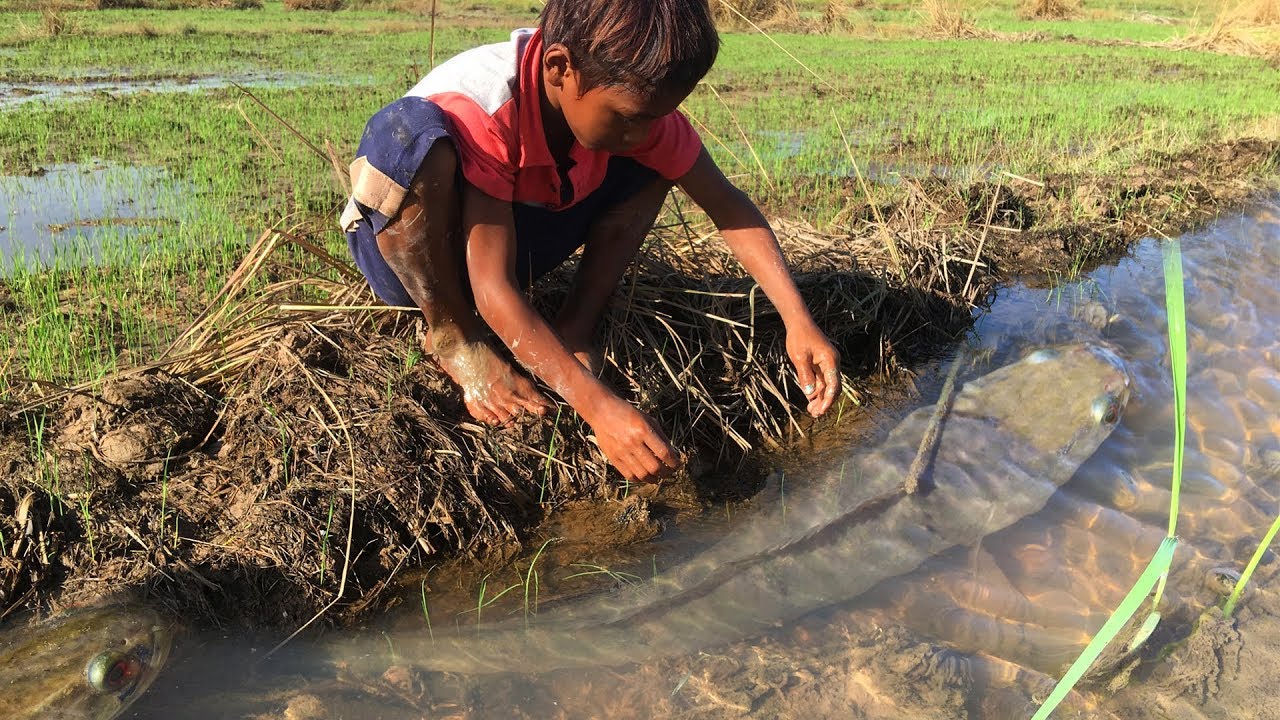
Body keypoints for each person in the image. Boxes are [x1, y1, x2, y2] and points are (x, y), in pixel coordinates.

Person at [340, 0, 840, 484]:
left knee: (654, 168)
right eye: (629, 117)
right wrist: (598, 408)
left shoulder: (630, 111)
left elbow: (728, 206)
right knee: (404, 134)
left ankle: (574, 328)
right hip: (416, 251)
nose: (643, 131)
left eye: (655, 117)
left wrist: (798, 320)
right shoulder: (490, 105)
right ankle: (454, 337)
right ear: (560, 70)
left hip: (515, 230)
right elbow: (492, 287)